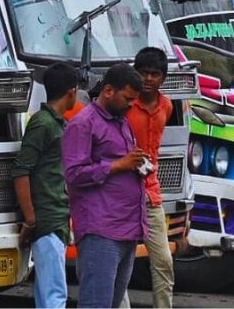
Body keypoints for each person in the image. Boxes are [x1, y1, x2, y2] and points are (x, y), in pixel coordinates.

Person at [63, 64, 148, 308]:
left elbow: (122, 161)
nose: (132, 105)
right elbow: (73, 174)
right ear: (109, 90)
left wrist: (138, 164)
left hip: (127, 228)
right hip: (101, 230)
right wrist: (119, 165)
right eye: (128, 98)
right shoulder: (83, 124)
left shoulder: (121, 122)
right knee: (95, 304)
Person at [11, 62, 79, 309]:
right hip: (47, 221)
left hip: (56, 220)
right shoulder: (43, 123)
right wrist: (30, 220)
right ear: (71, 92)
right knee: (55, 296)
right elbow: (21, 170)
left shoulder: (57, 124)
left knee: (48, 294)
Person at [126, 47, 175, 308]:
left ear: (163, 78)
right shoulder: (124, 105)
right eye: (143, 73)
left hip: (151, 191)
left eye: (154, 74)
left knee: (163, 261)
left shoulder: (166, 106)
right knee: (121, 262)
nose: (148, 79)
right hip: (122, 192)